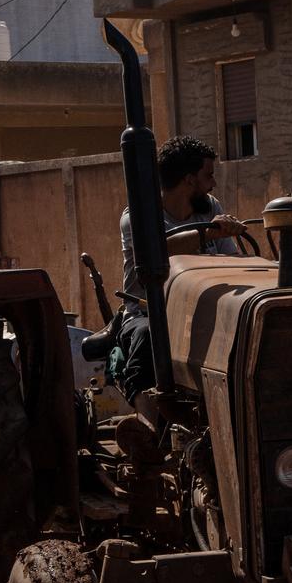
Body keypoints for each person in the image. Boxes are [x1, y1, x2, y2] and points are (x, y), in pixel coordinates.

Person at [114, 136, 244, 412]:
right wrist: (208, 232)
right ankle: (147, 422)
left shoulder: (210, 207)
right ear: (188, 180)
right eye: (208, 176)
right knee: (151, 335)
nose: (213, 183)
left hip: (203, 307)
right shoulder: (139, 216)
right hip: (149, 311)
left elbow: (230, 259)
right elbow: (155, 249)